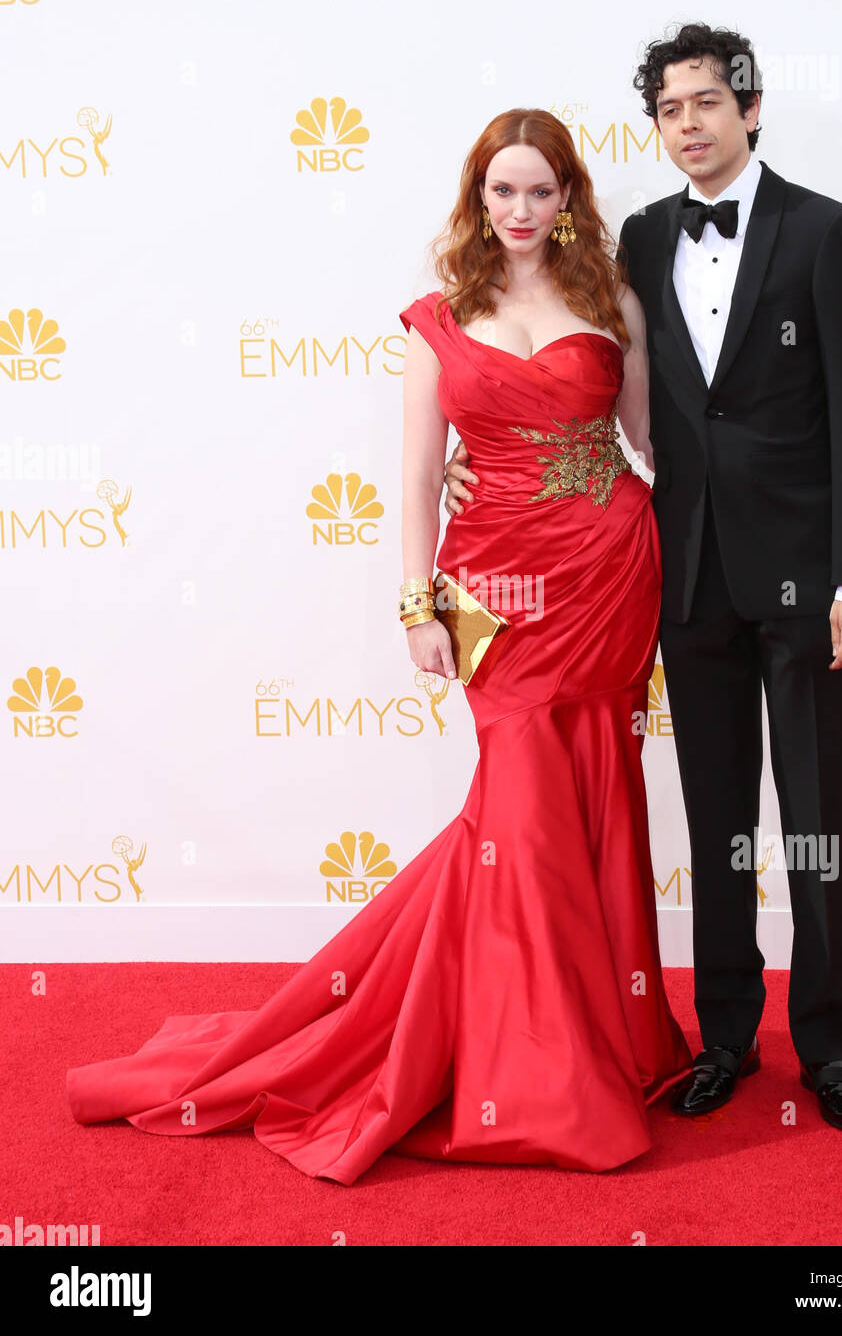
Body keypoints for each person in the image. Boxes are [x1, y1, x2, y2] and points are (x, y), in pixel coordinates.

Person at [66, 109, 691, 1184]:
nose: (522, 211)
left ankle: (600, 1036)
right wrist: (415, 606)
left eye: (540, 191)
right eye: (502, 192)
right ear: (475, 199)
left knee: (596, 791)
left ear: (569, 197)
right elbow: (413, 478)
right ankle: (530, 1066)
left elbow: (646, 446)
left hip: (607, 575)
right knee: (520, 811)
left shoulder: (611, 300)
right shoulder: (437, 319)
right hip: (493, 586)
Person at [445, 28, 842, 1136]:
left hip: (802, 582)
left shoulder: (822, 233)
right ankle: (727, 1038)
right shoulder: (639, 240)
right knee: (713, 823)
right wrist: (488, 440)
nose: (686, 122)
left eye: (705, 102)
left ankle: (829, 1048)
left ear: (749, 108)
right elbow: (581, 363)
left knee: (811, 823)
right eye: (667, 108)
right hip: (675, 578)